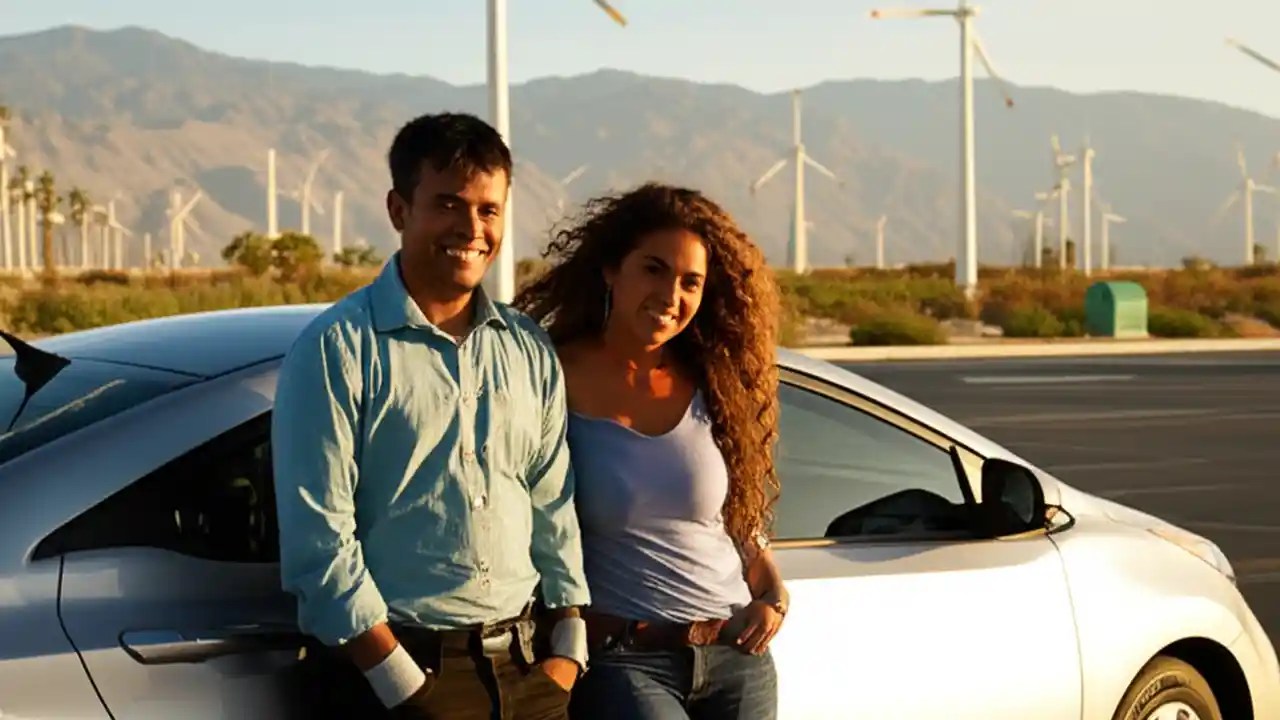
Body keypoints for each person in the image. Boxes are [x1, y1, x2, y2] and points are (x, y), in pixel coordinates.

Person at [271, 111, 591, 720]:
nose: (472, 228)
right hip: (398, 677)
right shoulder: (338, 348)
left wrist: (566, 656)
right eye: (448, 204)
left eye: (489, 210)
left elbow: (553, 504)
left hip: (530, 676)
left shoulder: (528, 349)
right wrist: (404, 687)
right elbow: (320, 542)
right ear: (398, 210)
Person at [513, 183, 789, 720]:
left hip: (738, 654)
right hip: (623, 659)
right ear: (611, 270)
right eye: (654, 270)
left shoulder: (713, 383)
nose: (671, 295)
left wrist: (773, 591)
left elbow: (733, 518)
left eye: (691, 282)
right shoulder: (549, 372)